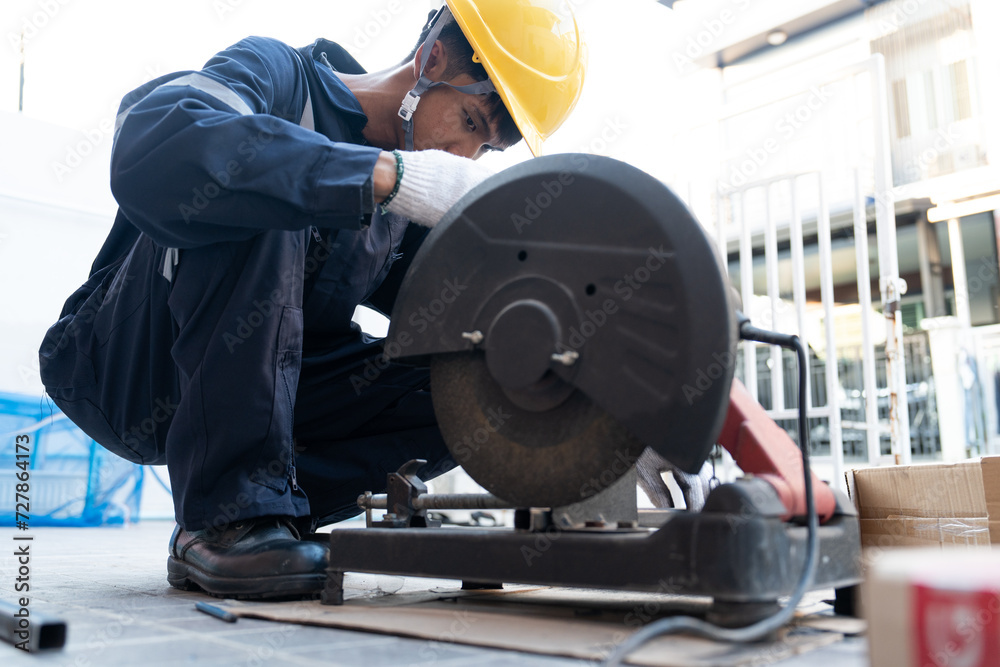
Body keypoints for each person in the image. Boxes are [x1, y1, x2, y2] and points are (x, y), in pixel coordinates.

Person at [38, 0, 585, 600]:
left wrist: (590, 392)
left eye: (485, 150)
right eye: (472, 124)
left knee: (479, 383)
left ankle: (259, 517)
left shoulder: (408, 208)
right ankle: (230, 516)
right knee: (277, 178)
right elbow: (157, 140)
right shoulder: (277, 74)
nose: (462, 159)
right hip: (127, 364)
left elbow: (481, 320)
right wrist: (387, 177)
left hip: (262, 392)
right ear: (432, 60)